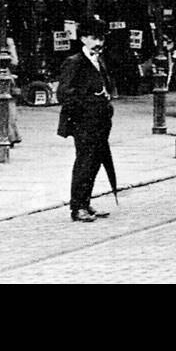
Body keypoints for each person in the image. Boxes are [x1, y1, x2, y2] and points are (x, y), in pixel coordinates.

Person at [58, 19, 116, 223]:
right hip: (83, 121)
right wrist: (90, 101)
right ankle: (77, 207)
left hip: (100, 120)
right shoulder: (74, 61)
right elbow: (64, 94)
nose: (98, 42)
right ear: (83, 38)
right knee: (84, 161)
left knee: (95, 162)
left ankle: (85, 201)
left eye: (101, 38)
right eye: (93, 38)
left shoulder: (99, 60)